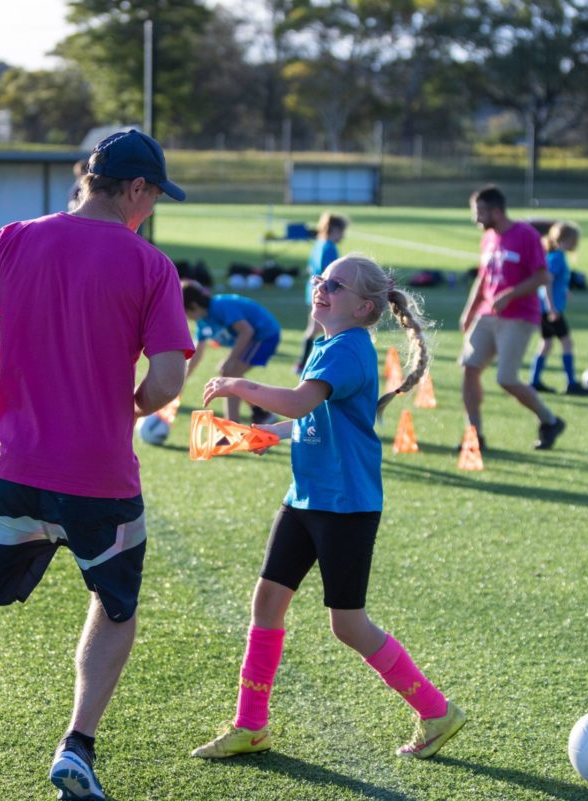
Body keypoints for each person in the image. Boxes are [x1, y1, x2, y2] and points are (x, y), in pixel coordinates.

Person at [0, 130, 193, 801]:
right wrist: (127, 404)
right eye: (155, 197)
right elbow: (168, 380)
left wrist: (17, 371)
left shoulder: (16, 237)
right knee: (114, 609)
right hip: (99, 479)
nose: (152, 210)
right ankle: (77, 746)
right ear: (136, 188)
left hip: (10, 472)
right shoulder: (150, 265)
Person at [191, 255, 466, 762]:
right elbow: (309, 420)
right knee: (267, 602)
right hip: (305, 498)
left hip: (346, 507)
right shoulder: (330, 345)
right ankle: (250, 726)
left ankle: (436, 711)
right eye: (321, 279)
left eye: (335, 285)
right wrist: (262, 434)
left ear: (363, 308)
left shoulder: (349, 348)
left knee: (349, 625)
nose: (321, 287)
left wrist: (237, 384)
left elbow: (299, 402)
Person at [459, 185, 565, 451]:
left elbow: (543, 276)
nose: (476, 218)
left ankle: (550, 420)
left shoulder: (526, 235)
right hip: (486, 314)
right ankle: (474, 435)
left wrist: (510, 295)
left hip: (519, 316)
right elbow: (483, 278)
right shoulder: (488, 238)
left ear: (497, 211)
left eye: (480, 212)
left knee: (506, 378)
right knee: (469, 368)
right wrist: (470, 310)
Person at [181, 280, 282, 424]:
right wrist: (183, 378)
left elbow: (247, 330)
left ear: (194, 306)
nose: (185, 317)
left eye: (183, 311)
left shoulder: (220, 306)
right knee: (230, 373)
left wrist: (230, 359)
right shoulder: (202, 320)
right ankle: (260, 412)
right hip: (253, 338)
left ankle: (232, 423)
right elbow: (197, 351)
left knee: (229, 373)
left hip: (264, 335)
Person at [529, 222, 588, 395]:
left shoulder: (556, 256)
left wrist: (564, 291)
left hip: (544, 309)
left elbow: (555, 282)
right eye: (575, 240)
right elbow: (546, 282)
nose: (576, 244)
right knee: (567, 343)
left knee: (546, 343)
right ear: (567, 240)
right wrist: (551, 307)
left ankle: (534, 382)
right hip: (549, 310)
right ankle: (571, 383)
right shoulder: (556, 258)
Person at [296, 212, 348, 372]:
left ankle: (303, 364)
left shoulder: (319, 244)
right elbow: (331, 274)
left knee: (314, 328)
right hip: (325, 294)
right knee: (329, 329)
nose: (343, 236)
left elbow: (311, 268)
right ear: (335, 230)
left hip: (313, 291)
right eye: (342, 232)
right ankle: (306, 364)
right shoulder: (329, 247)